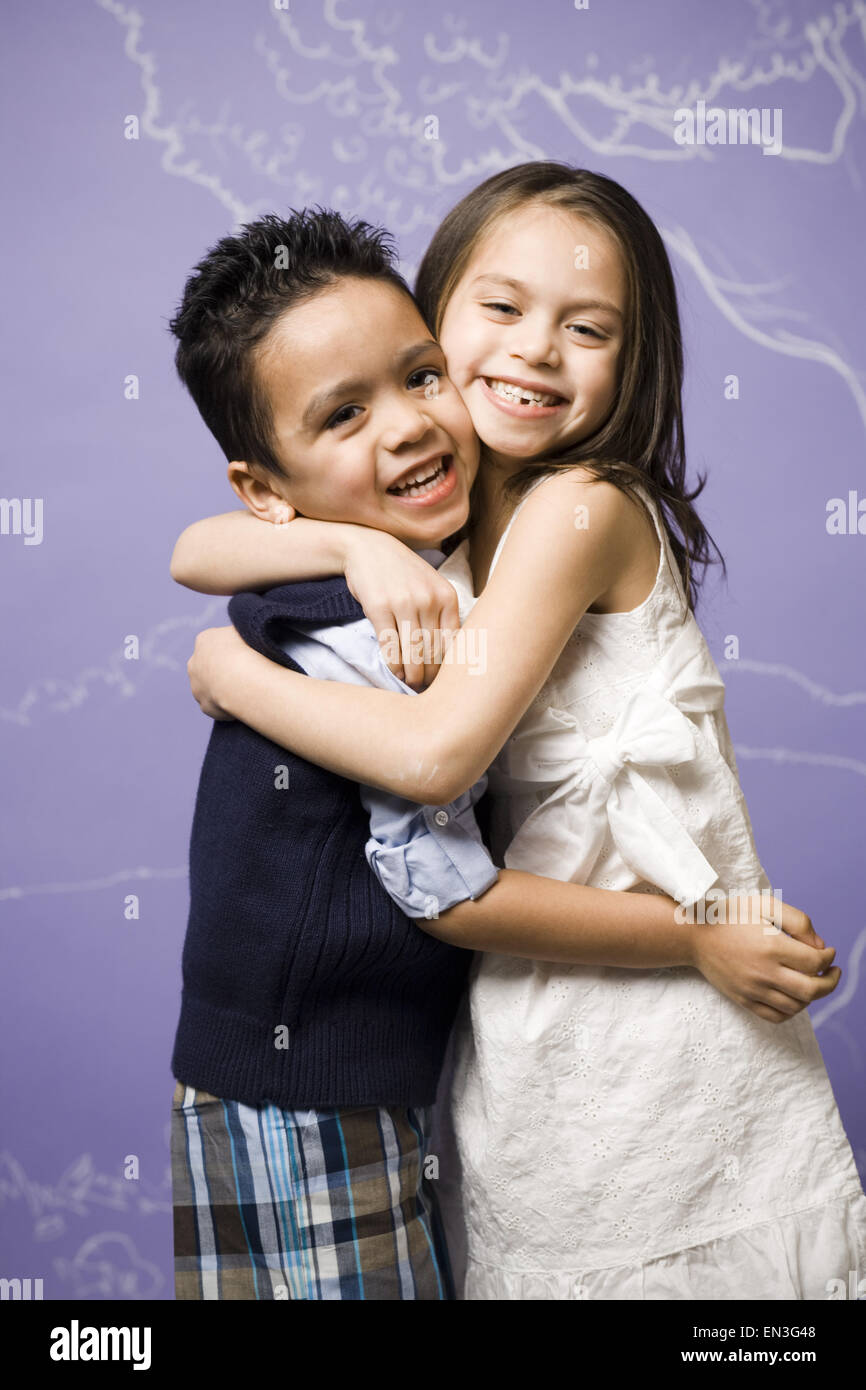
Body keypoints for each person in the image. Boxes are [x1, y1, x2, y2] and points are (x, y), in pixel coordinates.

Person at [182, 166, 865, 1300]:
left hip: (658, 1001)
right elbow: (198, 547)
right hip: (533, 1025)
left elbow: (434, 757)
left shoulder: (573, 507)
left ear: (631, 360)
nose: (536, 350)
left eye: (586, 327)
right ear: (434, 314)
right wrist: (352, 548)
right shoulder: (432, 524)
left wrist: (229, 672)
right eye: (500, 310)